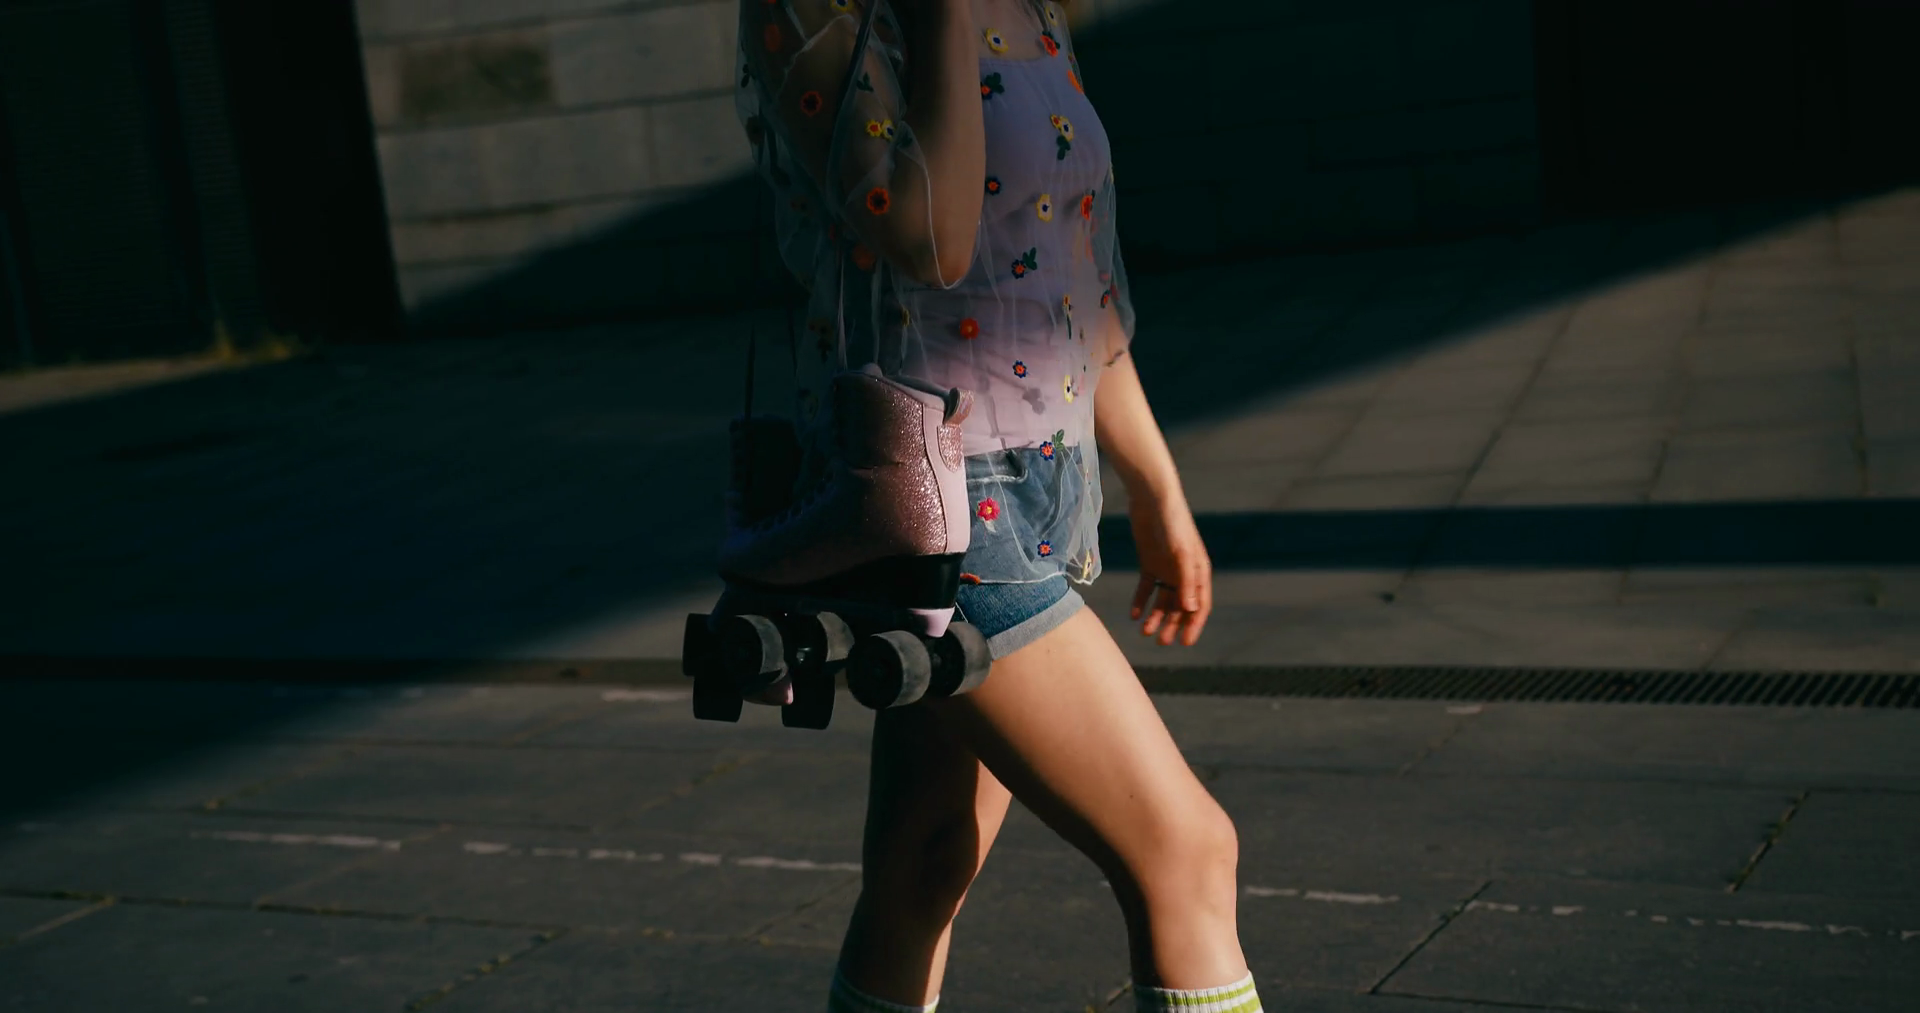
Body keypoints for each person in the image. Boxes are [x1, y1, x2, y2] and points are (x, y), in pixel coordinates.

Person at [734, 2, 1260, 1011]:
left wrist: (1155, 485)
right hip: (934, 494)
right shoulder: (812, 11)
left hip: (1043, 479)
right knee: (1186, 850)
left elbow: (1074, 282)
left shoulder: (1029, 7)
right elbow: (928, 235)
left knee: (926, 854)